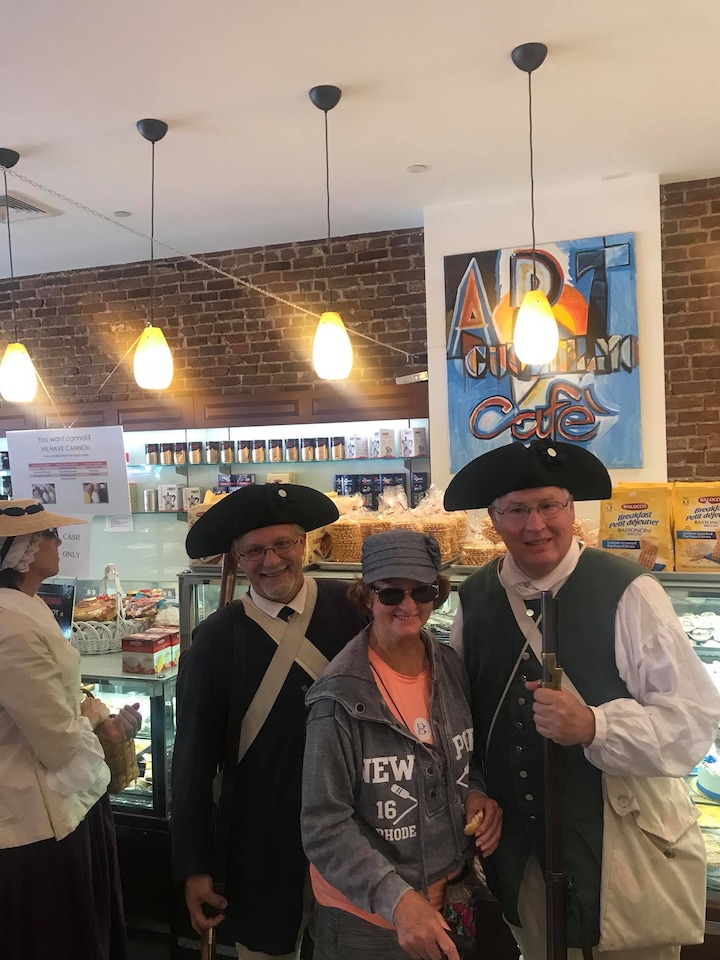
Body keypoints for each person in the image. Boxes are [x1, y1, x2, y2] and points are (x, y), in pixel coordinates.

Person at [443, 439, 720, 960]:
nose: (536, 525)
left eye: (549, 505)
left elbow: (692, 724)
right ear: (493, 519)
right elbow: (460, 718)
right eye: (517, 510)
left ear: (572, 509)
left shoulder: (630, 591)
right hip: (520, 857)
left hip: (625, 853)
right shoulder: (475, 597)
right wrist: (473, 787)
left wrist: (596, 727)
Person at [171, 483, 369, 960]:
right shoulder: (215, 640)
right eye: (254, 550)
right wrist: (194, 866)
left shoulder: (352, 608)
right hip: (259, 842)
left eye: (282, 544)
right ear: (237, 559)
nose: (271, 560)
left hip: (355, 829)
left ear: (304, 544)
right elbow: (192, 762)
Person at [301, 530, 502, 960]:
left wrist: (476, 794)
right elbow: (323, 826)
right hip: (368, 920)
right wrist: (397, 900)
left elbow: (466, 760)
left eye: (422, 591)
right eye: (391, 592)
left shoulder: (449, 667)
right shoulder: (338, 699)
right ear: (367, 596)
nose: (408, 605)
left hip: (447, 900)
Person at [0, 498, 142, 960]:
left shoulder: (25, 607)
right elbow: (58, 744)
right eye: (48, 534)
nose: (59, 540)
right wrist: (94, 716)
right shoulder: (11, 628)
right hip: (37, 822)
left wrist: (87, 715)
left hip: (56, 807)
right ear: (21, 550)